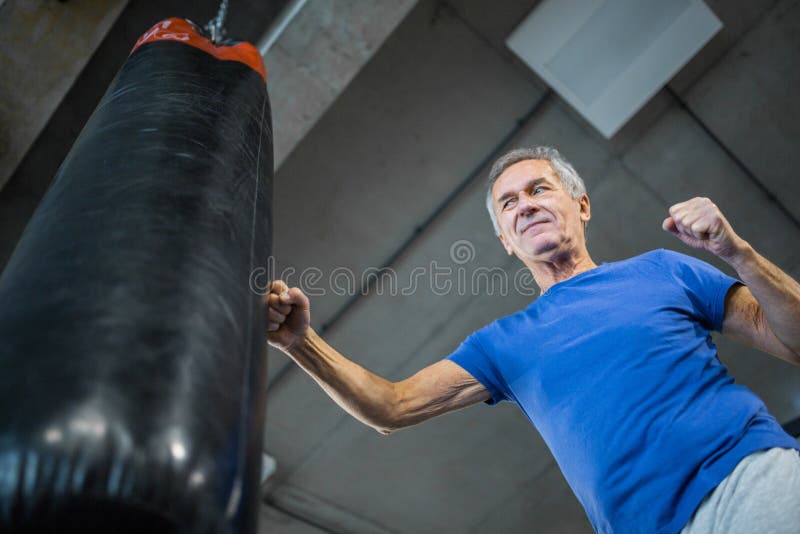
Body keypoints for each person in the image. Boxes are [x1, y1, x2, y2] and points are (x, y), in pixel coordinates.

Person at [263, 146, 800, 533]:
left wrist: (738, 255)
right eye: (508, 203)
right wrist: (300, 343)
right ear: (506, 240)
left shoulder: (661, 270)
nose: (524, 204)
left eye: (539, 188)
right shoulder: (503, 343)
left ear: (581, 206)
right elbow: (391, 406)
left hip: (751, 480)